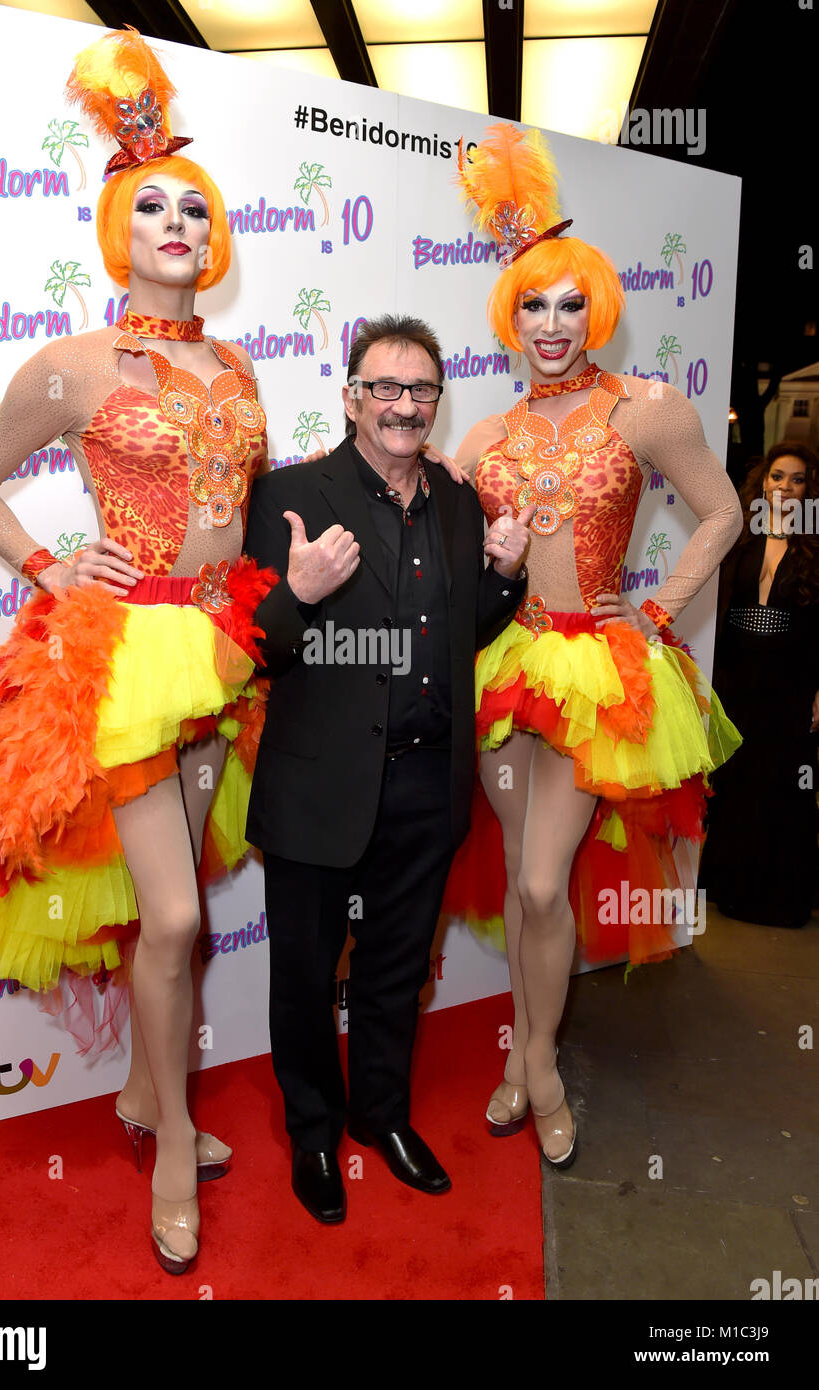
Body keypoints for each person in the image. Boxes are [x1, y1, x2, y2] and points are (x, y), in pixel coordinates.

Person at [0, 29, 275, 1275]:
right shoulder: (72, 365)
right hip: (123, 665)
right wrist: (46, 562)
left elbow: (239, 510)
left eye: (196, 207)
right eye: (154, 206)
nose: (177, 223)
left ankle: (138, 1091)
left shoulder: (235, 367)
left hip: (219, 655)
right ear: (119, 226)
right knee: (175, 919)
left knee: (168, 911)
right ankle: (175, 1138)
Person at [443, 124, 743, 1167]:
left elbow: (723, 512)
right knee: (526, 879)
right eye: (534, 304)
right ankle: (526, 1058)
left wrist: (657, 608)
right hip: (507, 666)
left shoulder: (647, 408)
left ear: (598, 307)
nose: (554, 323)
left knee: (537, 886)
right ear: (509, 315)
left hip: (597, 668)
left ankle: (539, 1066)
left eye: (572, 303)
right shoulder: (483, 437)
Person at [241, 315, 530, 1222]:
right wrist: (300, 594)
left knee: (398, 968)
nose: (403, 405)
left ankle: (384, 1116)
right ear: (351, 399)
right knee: (304, 970)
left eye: (421, 391)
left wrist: (508, 580)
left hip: (422, 783)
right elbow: (257, 648)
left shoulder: (457, 502)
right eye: (384, 389)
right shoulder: (289, 493)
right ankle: (315, 1135)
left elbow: (457, 634)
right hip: (318, 787)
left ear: (438, 402)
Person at [700, 442, 819, 925]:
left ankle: (778, 897)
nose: (785, 488)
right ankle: (728, 884)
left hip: (790, 682)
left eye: (797, 480)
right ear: (762, 483)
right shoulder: (741, 537)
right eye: (777, 477)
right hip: (736, 676)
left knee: (784, 785)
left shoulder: (815, 546)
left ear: (810, 490)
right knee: (736, 779)